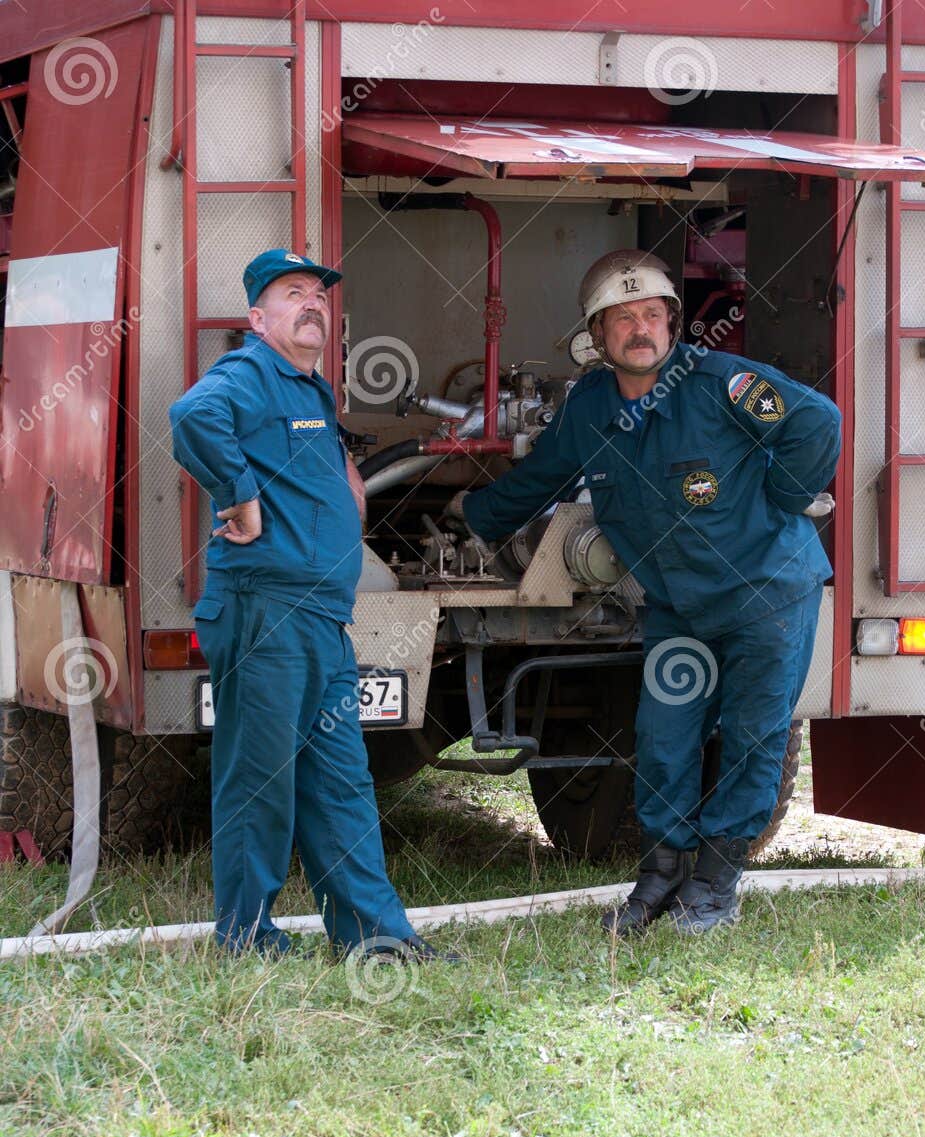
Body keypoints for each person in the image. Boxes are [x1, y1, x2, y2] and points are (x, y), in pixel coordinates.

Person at [454, 249, 842, 938]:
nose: (641, 330)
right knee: (663, 738)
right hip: (679, 606)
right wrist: (468, 518)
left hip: (766, 595)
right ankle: (658, 878)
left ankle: (715, 885)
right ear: (596, 337)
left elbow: (817, 422)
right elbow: (539, 477)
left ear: (671, 324)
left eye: (653, 316)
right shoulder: (592, 406)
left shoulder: (723, 384)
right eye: (622, 319)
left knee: (753, 739)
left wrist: (783, 497)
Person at [170, 249, 440, 961]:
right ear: (258, 318)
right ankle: (245, 939)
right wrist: (239, 496)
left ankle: (376, 936)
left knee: (339, 783)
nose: (313, 303)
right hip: (265, 612)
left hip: (319, 616)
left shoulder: (308, 386)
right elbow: (193, 415)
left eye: (319, 294)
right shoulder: (251, 373)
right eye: (294, 293)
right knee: (260, 781)